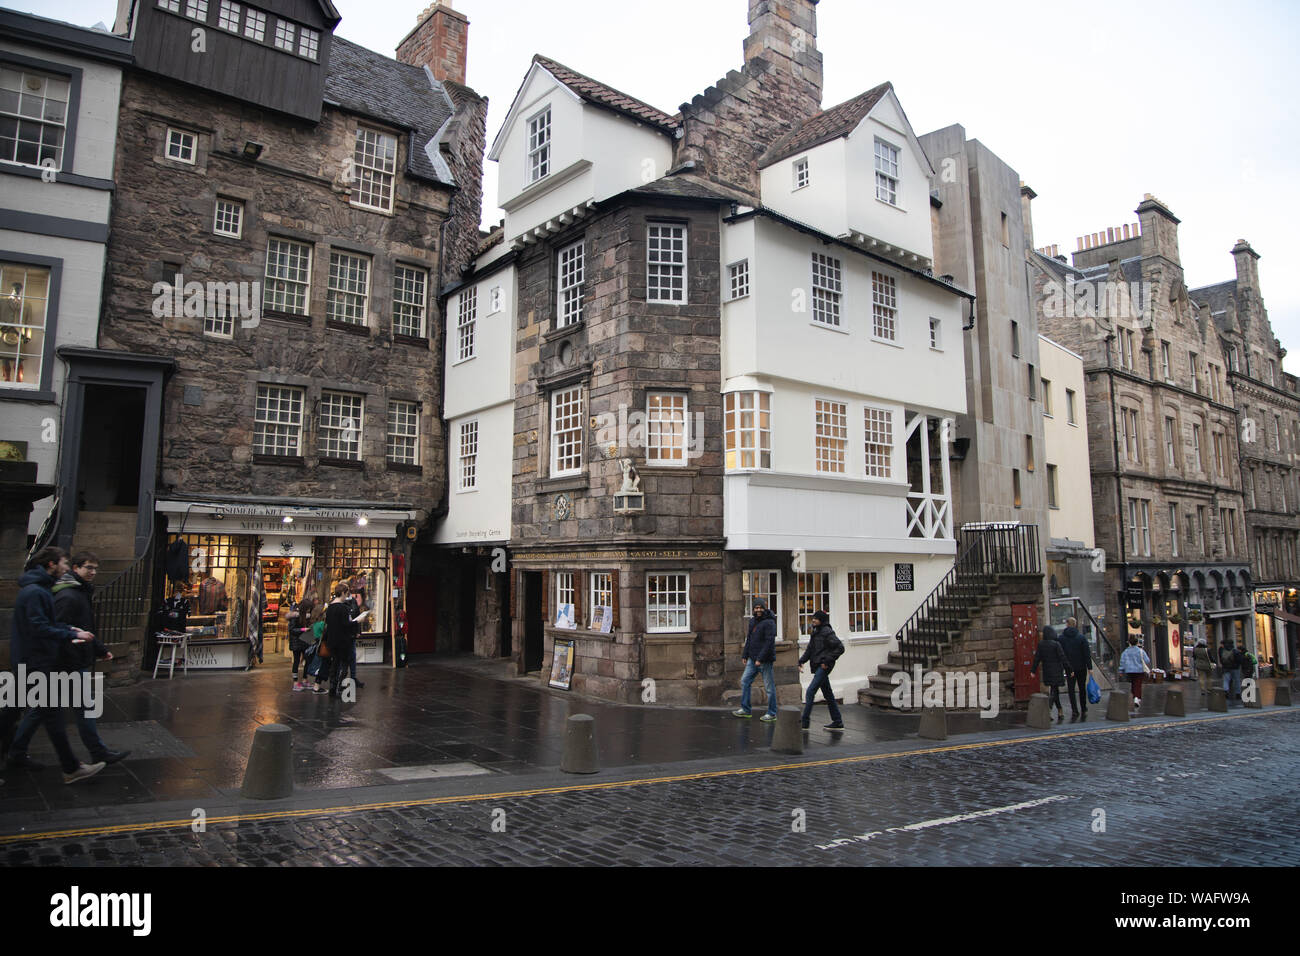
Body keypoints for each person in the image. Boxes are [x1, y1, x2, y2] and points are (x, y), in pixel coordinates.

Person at [7, 547, 105, 784]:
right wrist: (71, 634)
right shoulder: (37, 593)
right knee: (45, 715)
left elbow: (45, 624)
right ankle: (70, 767)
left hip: (33, 661)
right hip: (35, 662)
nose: (65, 567)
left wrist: (72, 631)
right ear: (52, 564)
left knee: (13, 714)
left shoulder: (41, 590)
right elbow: (39, 627)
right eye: (64, 563)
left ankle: (19, 755)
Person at [43, 551, 128, 764]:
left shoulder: (78, 592)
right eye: (88, 567)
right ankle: (97, 753)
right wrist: (74, 656)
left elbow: (83, 627)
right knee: (82, 707)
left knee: (43, 710)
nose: (93, 572)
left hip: (73, 659)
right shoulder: (69, 595)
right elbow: (61, 629)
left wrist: (99, 648)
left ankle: (16, 749)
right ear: (75, 568)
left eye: (95, 568)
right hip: (70, 661)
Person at [799, 610, 845, 730]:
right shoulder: (816, 632)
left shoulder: (827, 632)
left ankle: (805, 722)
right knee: (828, 694)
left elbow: (840, 648)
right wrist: (801, 661)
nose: (813, 620)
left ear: (822, 620)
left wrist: (827, 661)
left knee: (810, 691)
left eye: (816, 618)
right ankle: (838, 721)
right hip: (818, 665)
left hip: (823, 667)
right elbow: (810, 649)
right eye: (813, 618)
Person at [733, 600, 778, 721]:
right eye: (756, 608)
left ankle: (772, 713)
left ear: (764, 608)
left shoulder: (769, 622)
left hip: (765, 660)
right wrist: (745, 655)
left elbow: (769, 642)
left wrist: (760, 659)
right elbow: (749, 639)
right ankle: (746, 709)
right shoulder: (752, 621)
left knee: (769, 687)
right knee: (745, 681)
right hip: (752, 659)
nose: (758, 610)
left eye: (760, 608)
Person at [1032, 625, 1070, 723]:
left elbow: (1037, 658)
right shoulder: (1056, 644)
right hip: (1057, 670)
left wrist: (1033, 670)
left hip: (1047, 670)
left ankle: (1060, 710)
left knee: (1054, 690)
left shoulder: (1041, 645)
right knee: (1054, 691)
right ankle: (1049, 710)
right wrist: (1069, 669)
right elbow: (1063, 658)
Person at [1058, 617, 1093, 722]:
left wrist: (1063, 666)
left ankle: (1074, 709)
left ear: (1067, 625)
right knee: (1082, 688)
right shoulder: (1081, 638)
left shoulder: (1062, 638)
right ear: (1075, 625)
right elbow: (1087, 654)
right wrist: (1090, 667)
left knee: (1071, 689)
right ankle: (1083, 708)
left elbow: (1061, 654)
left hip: (1069, 668)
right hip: (1081, 667)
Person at [289, 595, 317, 692]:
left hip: (305, 640)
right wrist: (303, 629)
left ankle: (305, 679)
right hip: (297, 641)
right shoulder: (295, 615)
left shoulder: (305, 615)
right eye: (308, 609)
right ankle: (295, 682)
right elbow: (291, 629)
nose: (309, 612)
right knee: (296, 661)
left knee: (307, 660)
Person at [1119, 634, 1152, 715]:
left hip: (1129, 670)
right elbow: (1147, 660)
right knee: (1138, 684)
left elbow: (1122, 661)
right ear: (1137, 642)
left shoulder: (1126, 651)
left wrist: (1120, 670)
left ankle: (1135, 696)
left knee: (1134, 683)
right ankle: (1137, 697)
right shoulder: (1141, 651)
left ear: (1129, 643)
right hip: (1139, 670)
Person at [1218, 639, 1241, 706]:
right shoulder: (1234, 651)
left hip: (1226, 668)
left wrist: (1223, 665)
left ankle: (1226, 691)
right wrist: (1237, 665)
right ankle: (1237, 694)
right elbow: (1239, 660)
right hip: (1235, 668)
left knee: (1226, 680)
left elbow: (1221, 659)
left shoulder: (1222, 650)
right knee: (1236, 680)